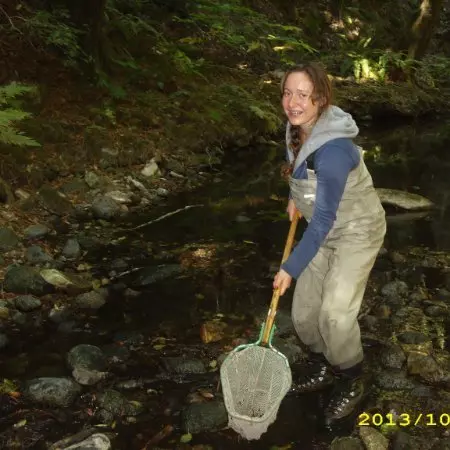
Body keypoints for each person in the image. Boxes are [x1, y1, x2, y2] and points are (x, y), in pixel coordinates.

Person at [273, 62, 386, 423]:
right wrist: (295, 196)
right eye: (288, 93)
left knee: (335, 316)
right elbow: (301, 170)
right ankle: (324, 366)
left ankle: (352, 378)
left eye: (303, 95)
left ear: (320, 99)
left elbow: (322, 221)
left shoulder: (334, 150)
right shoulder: (297, 129)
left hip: (356, 232)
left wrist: (289, 268)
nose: (293, 102)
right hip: (324, 231)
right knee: (305, 317)